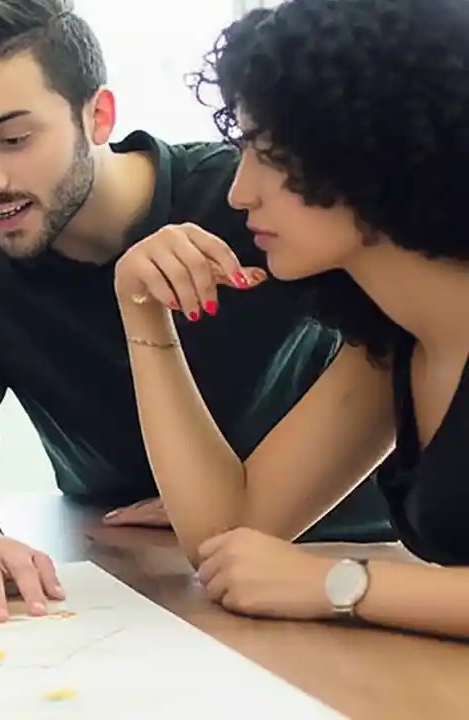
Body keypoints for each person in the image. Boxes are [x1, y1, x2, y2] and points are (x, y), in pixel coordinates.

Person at [0, 0, 394, 624]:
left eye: (13, 139)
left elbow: (393, 334)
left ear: (98, 116)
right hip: (142, 574)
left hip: (354, 547)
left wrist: (224, 495)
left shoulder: (259, 205)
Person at [115, 0, 469, 639]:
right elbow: (230, 538)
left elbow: (286, 571)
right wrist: (142, 311)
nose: (238, 191)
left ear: (370, 147)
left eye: (268, 152)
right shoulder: (393, 343)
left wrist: (340, 584)